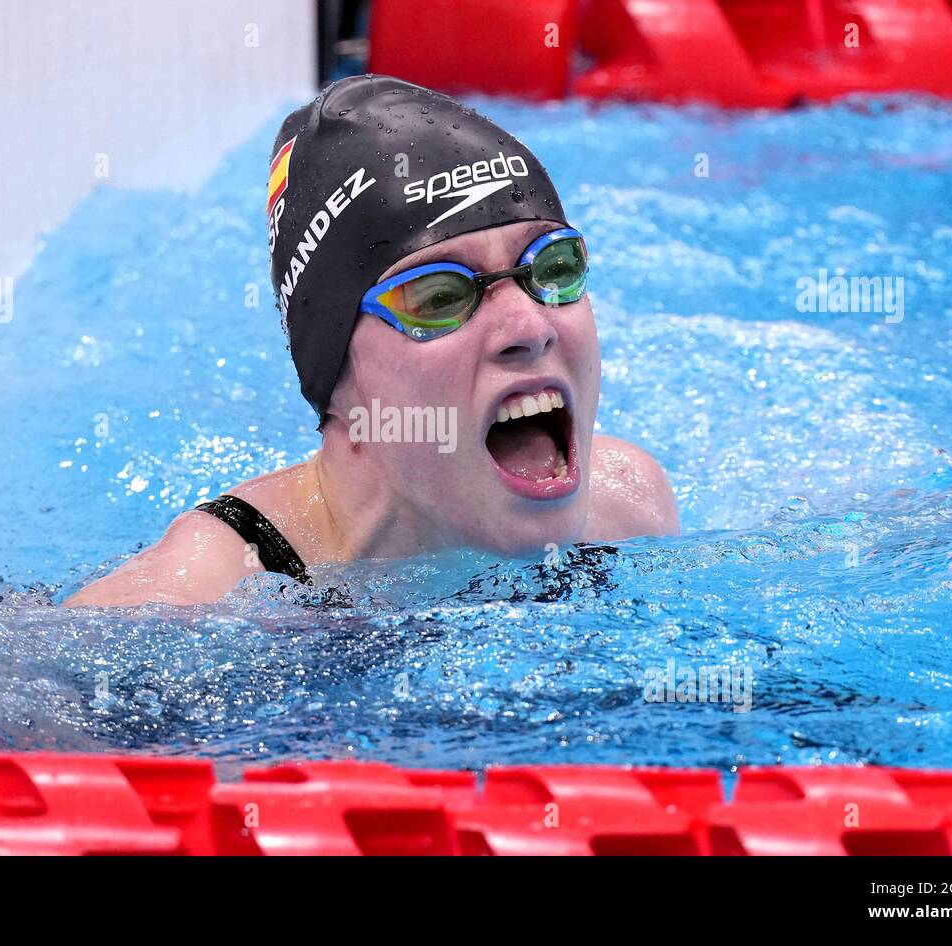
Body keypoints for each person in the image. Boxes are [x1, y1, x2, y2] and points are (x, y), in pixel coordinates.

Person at [66, 74, 678, 608]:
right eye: (440, 297)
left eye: (552, 269)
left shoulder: (626, 509)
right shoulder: (216, 589)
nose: (529, 328)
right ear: (337, 383)